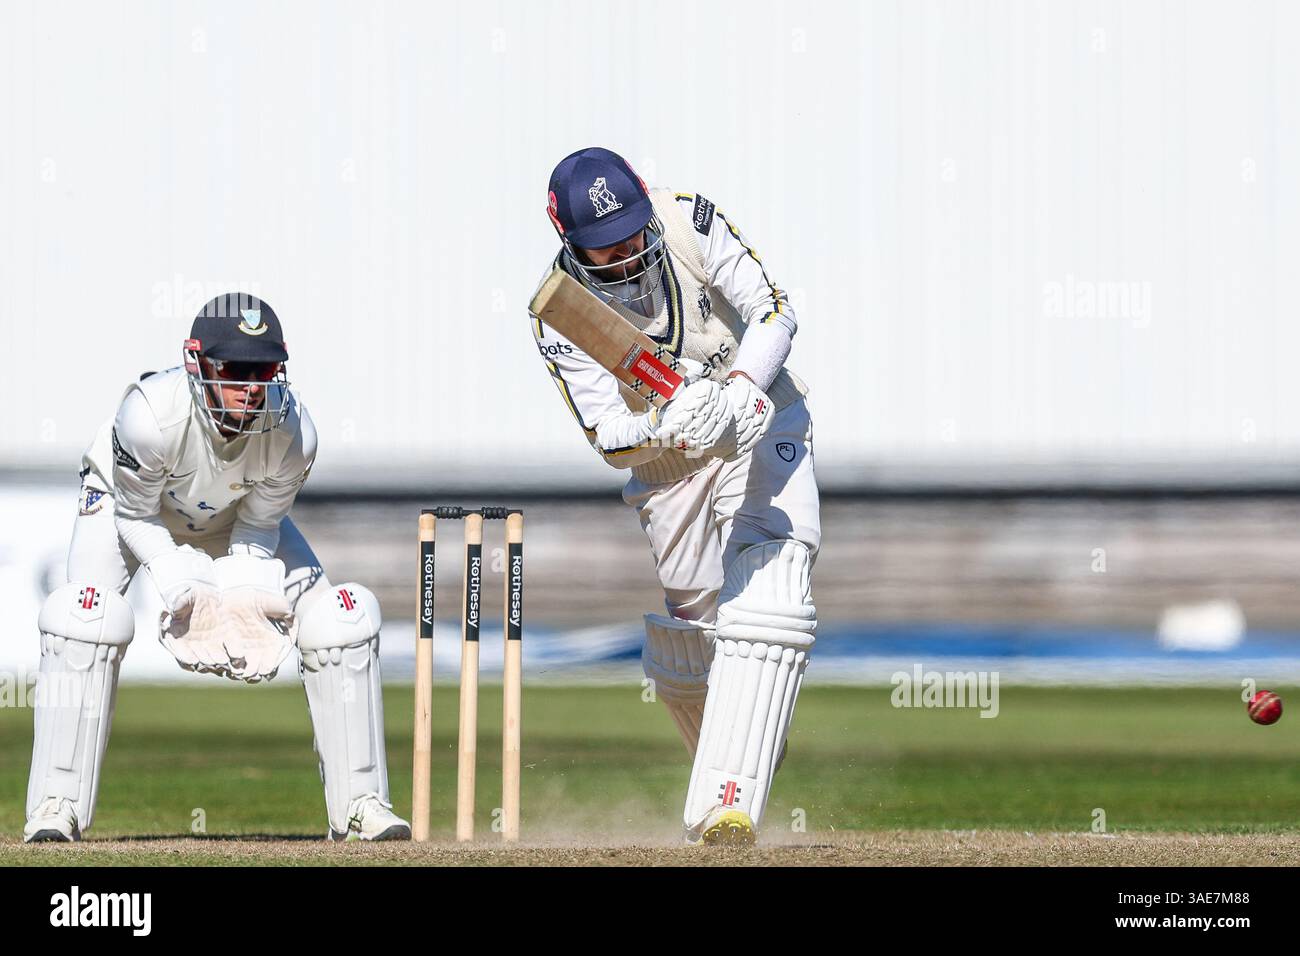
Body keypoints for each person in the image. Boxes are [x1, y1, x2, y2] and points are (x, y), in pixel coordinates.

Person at [24, 293, 409, 843]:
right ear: (196, 363)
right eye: (233, 369)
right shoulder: (149, 416)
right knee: (84, 621)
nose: (251, 385)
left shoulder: (295, 434)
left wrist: (244, 590)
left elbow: (258, 526)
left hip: (232, 517)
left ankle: (361, 806)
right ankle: (55, 806)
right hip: (129, 508)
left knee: (341, 622)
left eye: (264, 369)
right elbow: (134, 516)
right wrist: (178, 578)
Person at [529, 147, 821, 844]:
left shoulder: (688, 220)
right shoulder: (558, 314)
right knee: (695, 641)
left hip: (761, 416)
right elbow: (607, 435)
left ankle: (733, 798)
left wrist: (743, 391)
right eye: (605, 246)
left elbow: (774, 310)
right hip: (669, 468)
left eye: (631, 230)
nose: (627, 251)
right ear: (567, 238)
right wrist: (669, 423)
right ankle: (731, 774)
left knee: (773, 576)